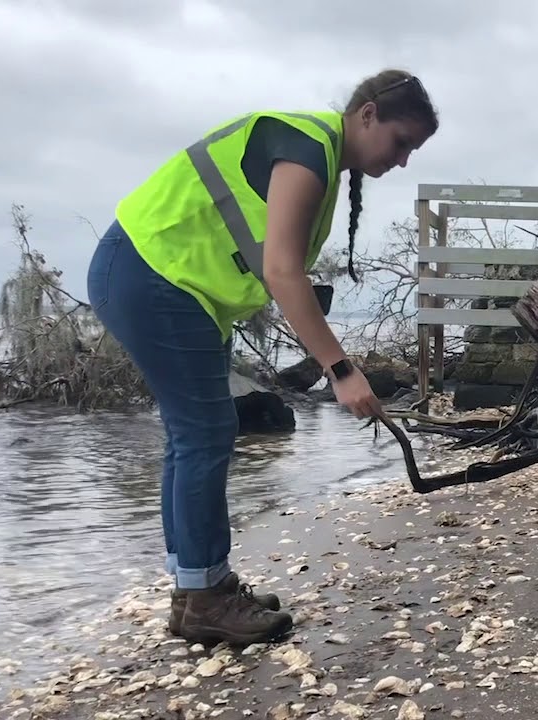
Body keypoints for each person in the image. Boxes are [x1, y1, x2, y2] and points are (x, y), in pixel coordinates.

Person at [85, 69, 439, 646]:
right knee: (205, 433)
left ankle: (196, 590)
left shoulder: (318, 153)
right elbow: (281, 272)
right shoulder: (307, 148)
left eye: (412, 152)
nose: (401, 161)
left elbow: (275, 267)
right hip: (151, 274)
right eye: (401, 142)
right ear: (368, 114)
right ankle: (206, 597)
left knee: (192, 435)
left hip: (164, 280)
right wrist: (341, 371)